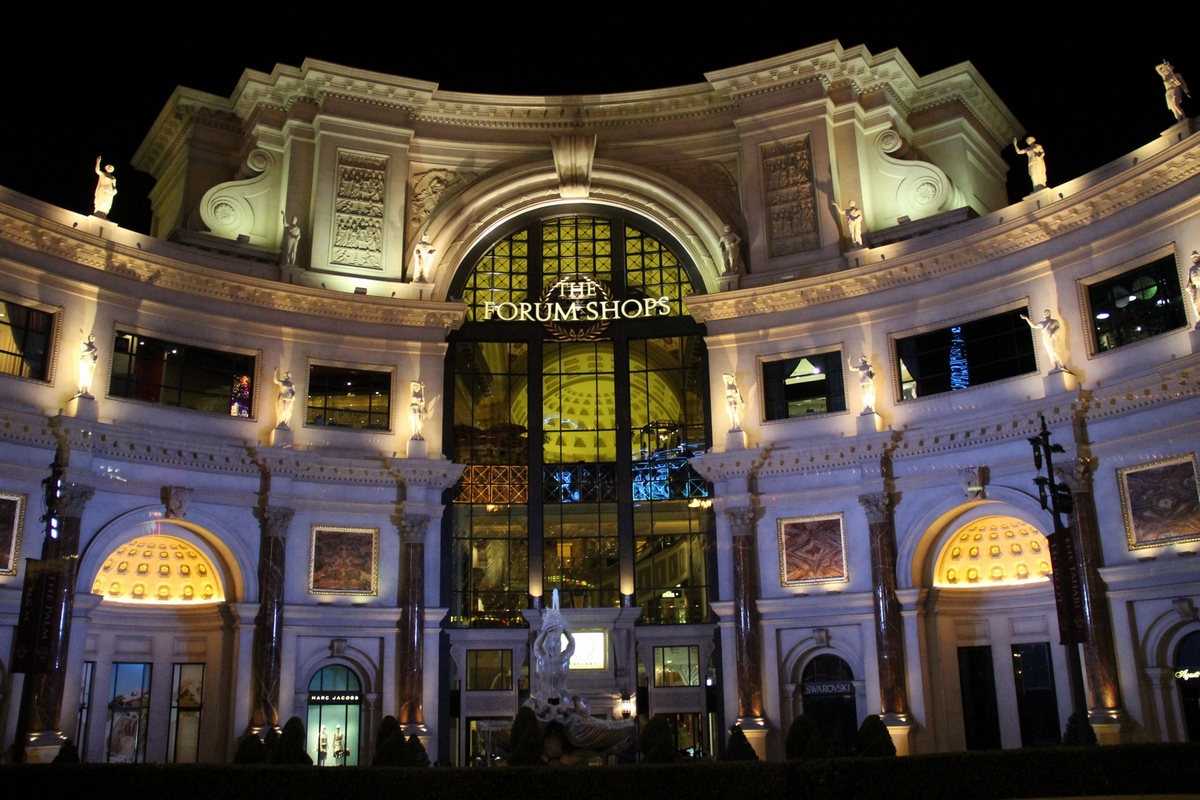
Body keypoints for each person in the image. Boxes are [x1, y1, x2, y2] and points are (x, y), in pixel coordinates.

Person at [78, 333, 98, 397]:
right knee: (82, 376)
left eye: (93, 338)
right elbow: (81, 344)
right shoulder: (85, 345)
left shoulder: (95, 349)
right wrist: (81, 335)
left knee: (89, 377)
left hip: (90, 364)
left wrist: (95, 360)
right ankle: (80, 390)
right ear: (88, 338)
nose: (92, 338)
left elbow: (95, 356)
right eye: (91, 337)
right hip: (84, 363)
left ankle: (87, 390)